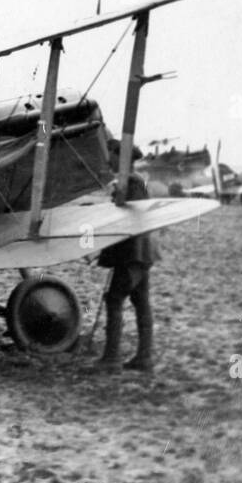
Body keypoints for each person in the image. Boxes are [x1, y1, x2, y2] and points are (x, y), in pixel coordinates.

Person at [97, 141, 158, 373]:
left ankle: (111, 359)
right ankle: (144, 358)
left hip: (132, 253)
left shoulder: (131, 183)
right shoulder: (136, 181)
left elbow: (131, 218)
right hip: (143, 252)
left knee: (114, 299)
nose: (108, 160)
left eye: (111, 156)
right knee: (141, 302)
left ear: (120, 158)